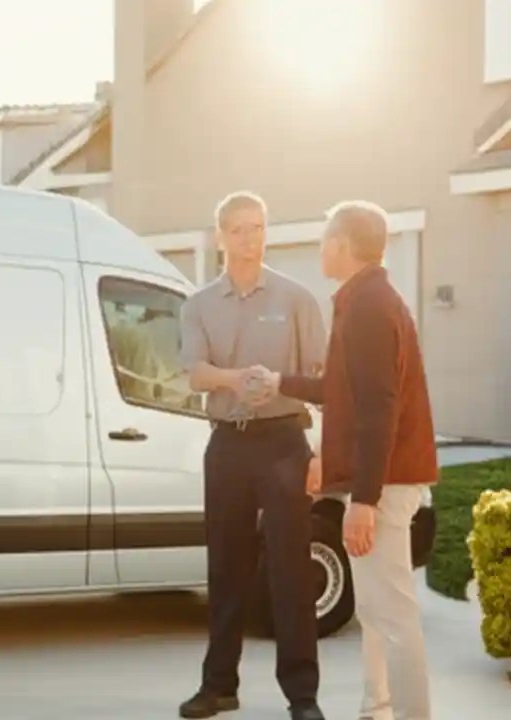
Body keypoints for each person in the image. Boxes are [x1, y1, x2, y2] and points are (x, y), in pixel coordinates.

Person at [255, 200, 438, 720]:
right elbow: (343, 390)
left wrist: (362, 500)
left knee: (393, 615)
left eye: (322, 239)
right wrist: (279, 385)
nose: (319, 249)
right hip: (378, 481)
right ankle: (376, 709)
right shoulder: (366, 301)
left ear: (340, 245)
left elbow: (379, 410)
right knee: (377, 614)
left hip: (382, 484)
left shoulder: (369, 308)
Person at [177, 191, 328, 720]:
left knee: (291, 570)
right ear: (220, 236)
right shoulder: (198, 304)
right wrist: (238, 379)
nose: (250, 238)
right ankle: (219, 686)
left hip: (286, 441)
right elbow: (195, 372)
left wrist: (321, 452)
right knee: (226, 567)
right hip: (228, 443)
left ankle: (303, 696)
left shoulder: (297, 299)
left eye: (258, 227)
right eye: (239, 229)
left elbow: (325, 381)